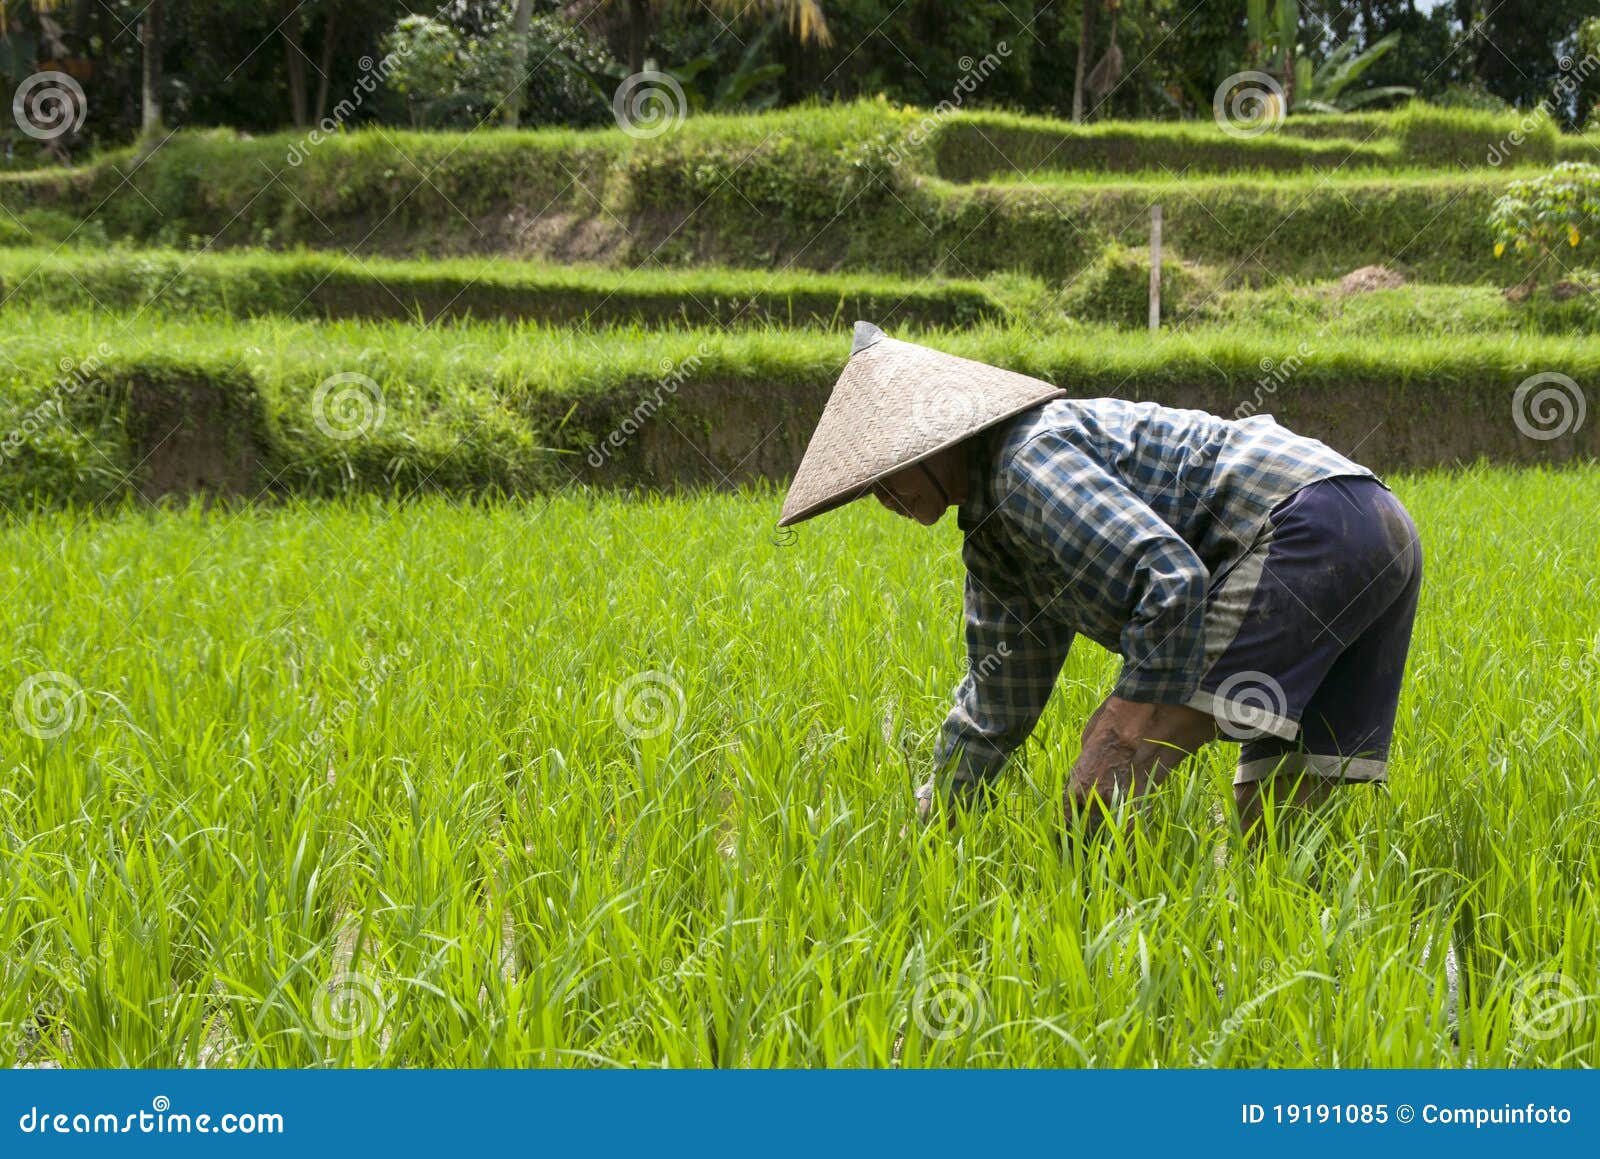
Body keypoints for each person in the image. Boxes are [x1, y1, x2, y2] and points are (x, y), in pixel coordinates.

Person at [777, 322, 1423, 846]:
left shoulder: (1028, 460)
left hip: (1304, 525)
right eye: (869, 484)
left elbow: (1168, 577)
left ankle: (1092, 931)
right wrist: (937, 809)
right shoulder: (996, 538)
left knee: (1111, 768)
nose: (883, 493)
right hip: (1373, 523)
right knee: (1280, 826)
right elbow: (998, 701)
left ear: (943, 437)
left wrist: (1123, 722)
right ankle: (1286, 970)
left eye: (892, 467)